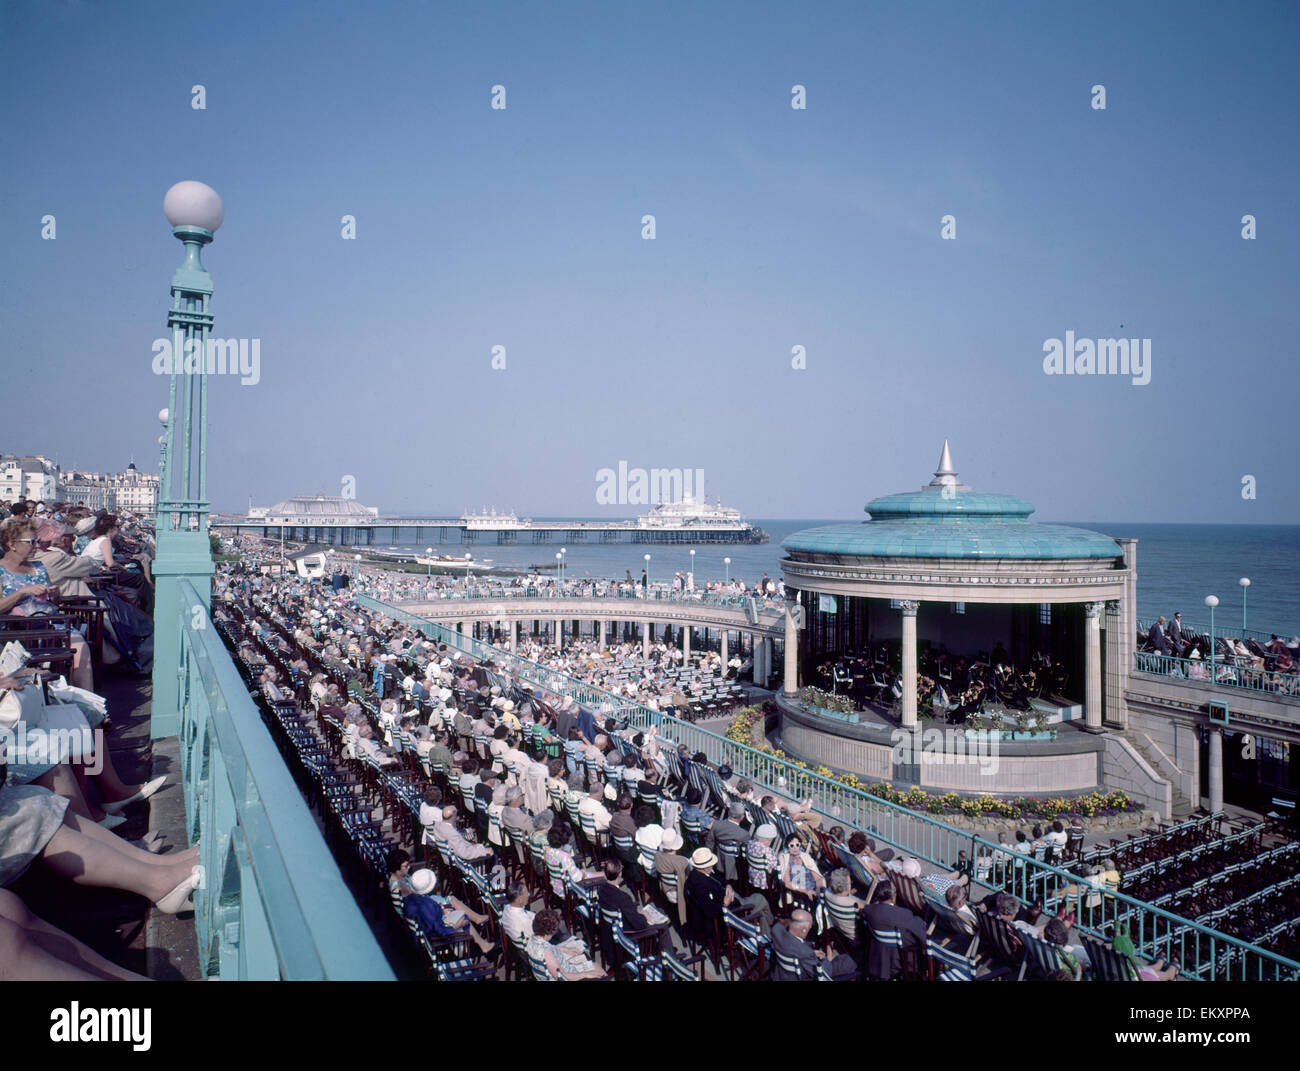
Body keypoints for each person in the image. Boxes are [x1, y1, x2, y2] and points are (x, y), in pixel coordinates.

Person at [684, 847, 773, 940]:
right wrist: (724, 903)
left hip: (730, 898)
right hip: (730, 912)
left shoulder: (699, 873)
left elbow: (719, 879)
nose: (712, 866)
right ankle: (768, 936)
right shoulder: (699, 884)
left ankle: (769, 932)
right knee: (760, 901)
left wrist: (728, 885)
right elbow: (710, 911)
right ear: (703, 867)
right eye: (710, 865)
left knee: (760, 905)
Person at [861, 882, 926, 979]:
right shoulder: (903, 914)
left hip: (879, 958)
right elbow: (922, 936)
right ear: (892, 897)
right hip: (901, 961)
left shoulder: (868, 910)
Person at [771, 908, 857, 980]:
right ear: (804, 930)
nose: (810, 928)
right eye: (810, 927)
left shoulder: (776, 930)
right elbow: (826, 972)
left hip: (782, 974)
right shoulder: (804, 953)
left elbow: (797, 949)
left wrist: (812, 953)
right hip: (803, 976)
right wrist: (824, 959)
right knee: (848, 961)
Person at [526, 909, 605, 980]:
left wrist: (565, 949)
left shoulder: (532, 939)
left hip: (557, 969)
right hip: (567, 974)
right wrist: (586, 974)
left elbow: (548, 950)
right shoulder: (546, 951)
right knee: (599, 970)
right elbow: (561, 976)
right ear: (550, 931)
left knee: (593, 964)